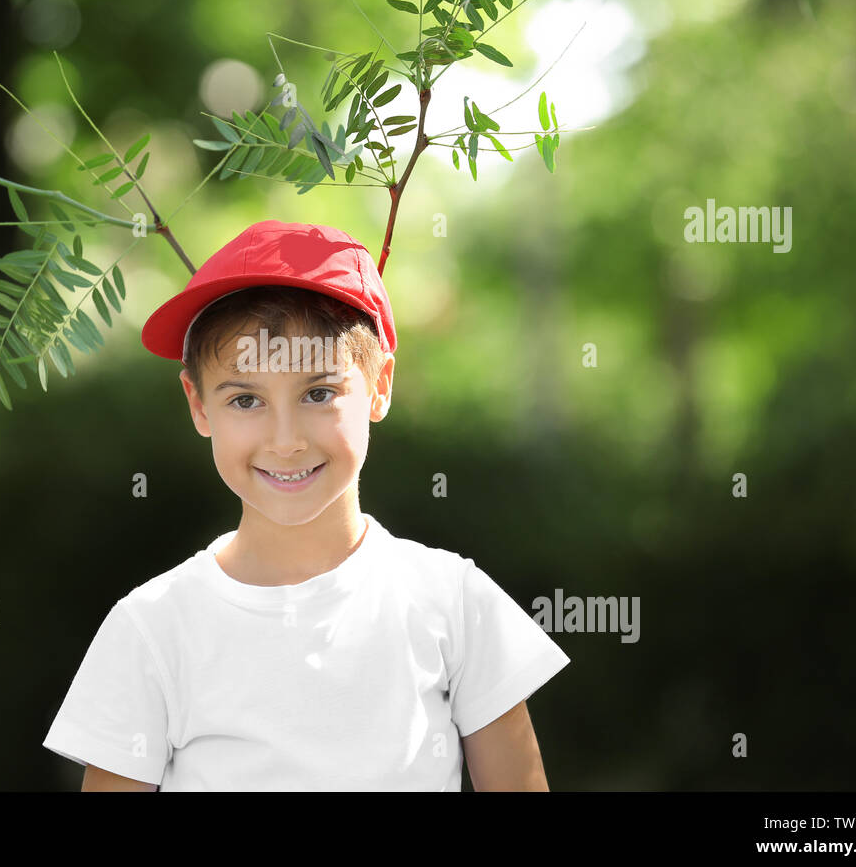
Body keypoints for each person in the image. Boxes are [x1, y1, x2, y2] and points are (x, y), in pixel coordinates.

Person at [42, 219, 570, 790]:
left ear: (380, 384)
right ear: (198, 405)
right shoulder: (150, 629)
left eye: (318, 393)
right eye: (246, 399)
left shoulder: (455, 602)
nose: (286, 438)